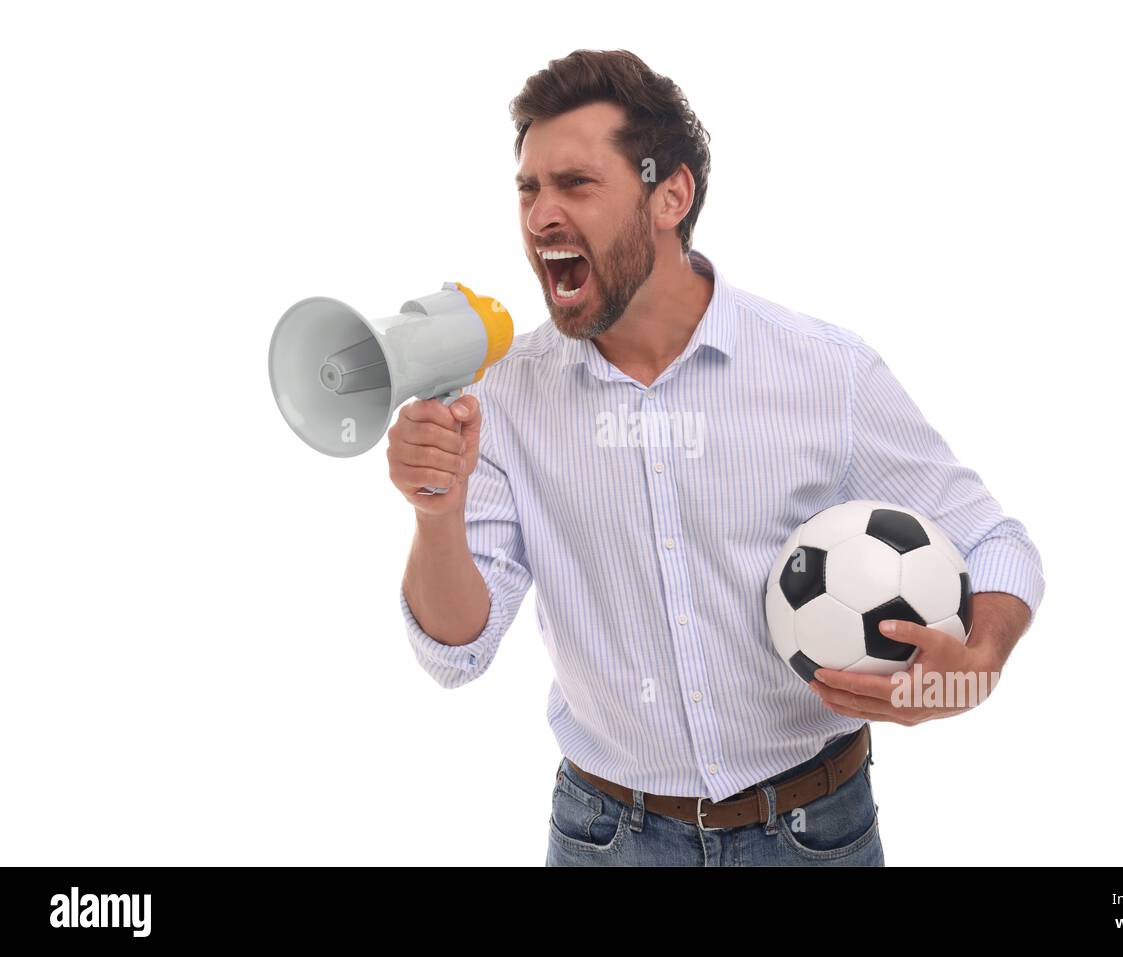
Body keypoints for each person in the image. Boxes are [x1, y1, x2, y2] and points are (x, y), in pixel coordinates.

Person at [392, 49, 1046, 866]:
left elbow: (994, 541)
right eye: (528, 189)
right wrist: (437, 509)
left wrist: (976, 661)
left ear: (671, 195)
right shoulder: (503, 397)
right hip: (606, 838)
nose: (540, 216)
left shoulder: (825, 372)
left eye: (576, 184)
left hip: (816, 832)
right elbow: (457, 652)